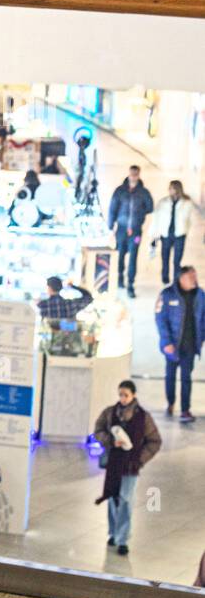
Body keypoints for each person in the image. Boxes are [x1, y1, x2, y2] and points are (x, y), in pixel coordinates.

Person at [92, 380, 161, 555]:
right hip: (114, 464)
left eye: (126, 395)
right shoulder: (110, 413)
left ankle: (123, 538)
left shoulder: (143, 417)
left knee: (126, 500)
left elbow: (154, 441)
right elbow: (98, 430)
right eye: (120, 395)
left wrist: (140, 459)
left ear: (133, 395)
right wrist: (110, 441)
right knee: (113, 497)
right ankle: (113, 533)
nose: (122, 398)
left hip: (131, 465)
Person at [154, 265, 205, 422]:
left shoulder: (200, 295)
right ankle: (170, 402)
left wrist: (201, 339)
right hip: (172, 346)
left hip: (190, 346)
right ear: (181, 279)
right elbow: (160, 320)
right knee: (170, 376)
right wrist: (166, 342)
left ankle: (185, 409)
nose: (195, 280)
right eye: (191, 277)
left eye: (195, 277)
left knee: (186, 377)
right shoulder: (167, 295)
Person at [107, 165, 154, 297]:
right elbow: (112, 209)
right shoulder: (120, 191)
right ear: (128, 174)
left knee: (133, 257)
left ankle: (130, 284)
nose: (133, 176)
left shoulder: (143, 192)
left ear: (139, 175)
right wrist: (110, 227)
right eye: (132, 173)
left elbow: (150, 207)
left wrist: (140, 215)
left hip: (135, 230)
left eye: (136, 174)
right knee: (120, 254)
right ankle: (120, 278)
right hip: (121, 229)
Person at [152, 179, 194, 286]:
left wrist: (186, 231)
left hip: (180, 235)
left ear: (177, 189)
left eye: (171, 188)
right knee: (165, 257)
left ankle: (176, 280)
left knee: (177, 260)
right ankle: (165, 278)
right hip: (166, 235)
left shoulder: (187, 203)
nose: (169, 190)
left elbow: (190, 219)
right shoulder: (163, 202)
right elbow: (156, 218)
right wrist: (155, 234)